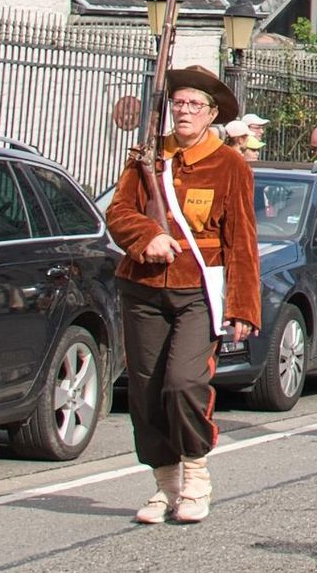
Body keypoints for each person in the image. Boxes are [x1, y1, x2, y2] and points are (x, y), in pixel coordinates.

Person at [104, 66, 260, 525]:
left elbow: (242, 240)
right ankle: (165, 485)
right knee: (147, 390)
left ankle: (196, 475)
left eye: (195, 105)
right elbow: (119, 213)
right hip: (144, 286)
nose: (185, 111)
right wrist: (146, 235)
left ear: (212, 114)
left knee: (184, 383)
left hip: (198, 291)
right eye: (179, 103)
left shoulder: (229, 164)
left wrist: (243, 307)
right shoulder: (148, 158)